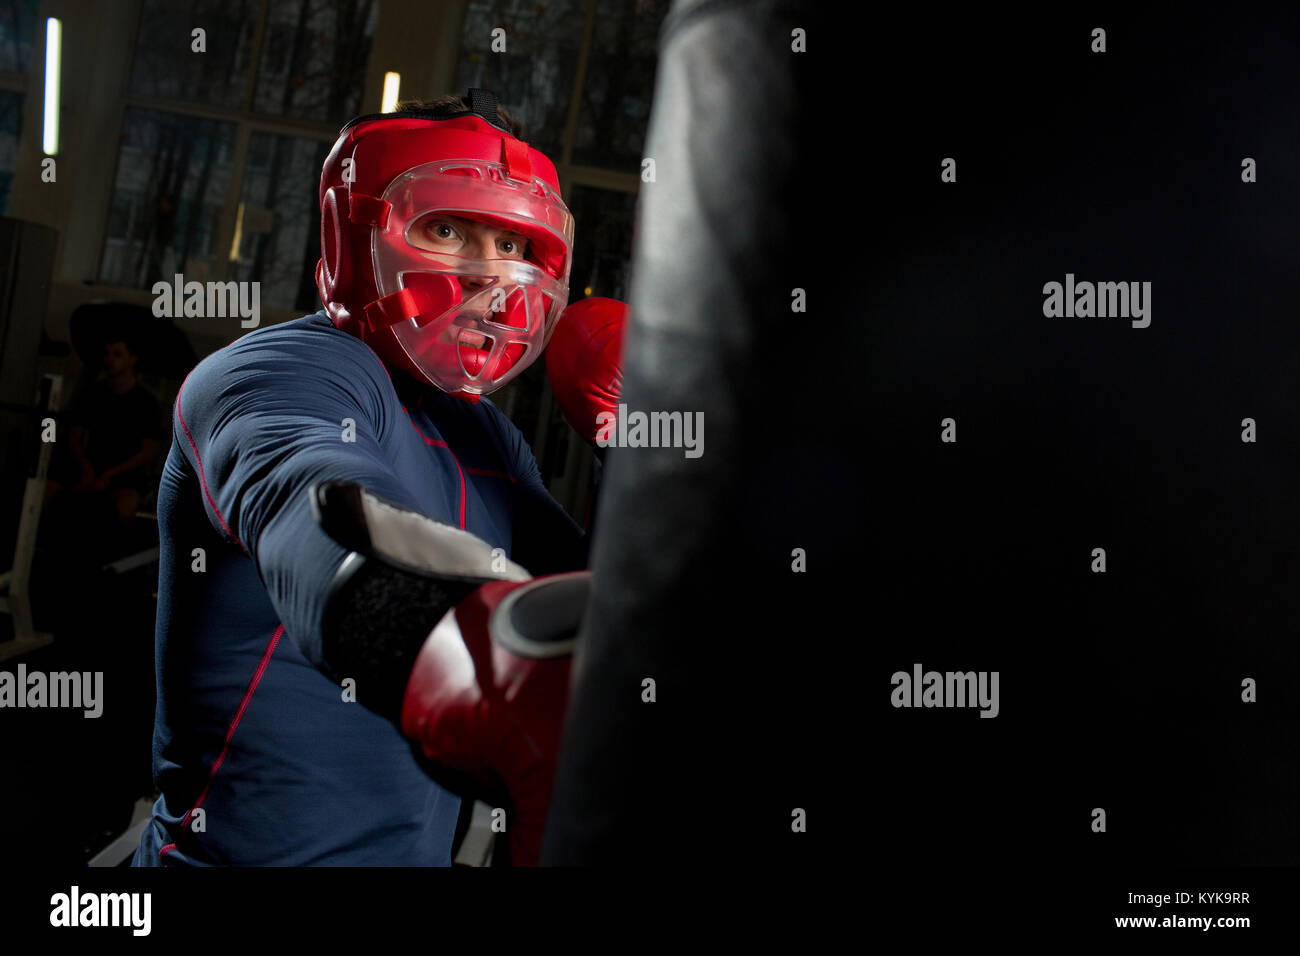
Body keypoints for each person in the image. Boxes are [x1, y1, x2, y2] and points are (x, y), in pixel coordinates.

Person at [133, 89, 613, 866]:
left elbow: (603, 616)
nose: (492, 277)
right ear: (349, 232)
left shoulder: (488, 437)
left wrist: (644, 451)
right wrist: (454, 647)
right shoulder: (276, 372)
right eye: (449, 229)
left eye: (514, 244)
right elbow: (309, 504)